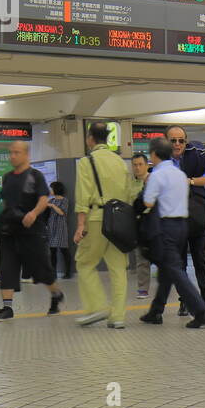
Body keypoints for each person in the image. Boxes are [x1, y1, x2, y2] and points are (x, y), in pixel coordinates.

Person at [139, 136, 205, 327]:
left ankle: (201, 311)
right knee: (167, 270)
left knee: (174, 269)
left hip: (165, 227)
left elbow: (148, 202)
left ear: (154, 155)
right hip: (182, 225)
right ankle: (155, 311)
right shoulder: (180, 174)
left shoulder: (156, 175)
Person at [0, 141, 63, 321]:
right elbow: (6, 203)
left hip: (32, 232)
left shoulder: (35, 176)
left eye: (17, 152)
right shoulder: (7, 177)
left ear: (26, 155)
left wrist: (33, 213)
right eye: (11, 153)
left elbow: (44, 199)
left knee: (42, 271)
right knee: (7, 268)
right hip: (10, 232)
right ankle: (7, 308)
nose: (13, 156)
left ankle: (55, 294)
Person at [71, 121, 130, 328]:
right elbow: (129, 193)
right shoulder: (120, 162)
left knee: (85, 262)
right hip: (119, 221)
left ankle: (97, 307)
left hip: (96, 219)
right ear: (107, 138)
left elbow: (83, 194)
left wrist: (80, 224)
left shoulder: (87, 162)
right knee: (118, 268)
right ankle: (118, 316)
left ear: (90, 139)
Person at [166, 125, 205, 313]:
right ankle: (185, 301)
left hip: (195, 216)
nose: (178, 144)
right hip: (174, 218)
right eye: (173, 140)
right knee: (179, 263)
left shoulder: (197, 157)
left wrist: (190, 181)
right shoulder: (163, 161)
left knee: (200, 261)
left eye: (181, 140)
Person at [126, 151, 153, 299]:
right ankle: (143, 288)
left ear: (147, 165)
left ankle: (170, 284)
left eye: (140, 164)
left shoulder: (154, 180)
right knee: (141, 258)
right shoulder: (130, 184)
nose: (137, 168)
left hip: (155, 224)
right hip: (139, 225)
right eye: (134, 165)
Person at [46, 181, 72, 278]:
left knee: (64, 251)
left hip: (61, 228)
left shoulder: (64, 200)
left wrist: (52, 206)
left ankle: (68, 273)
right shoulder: (51, 200)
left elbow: (62, 213)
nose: (50, 190)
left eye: (51, 188)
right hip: (51, 227)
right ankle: (53, 273)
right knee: (52, 251)